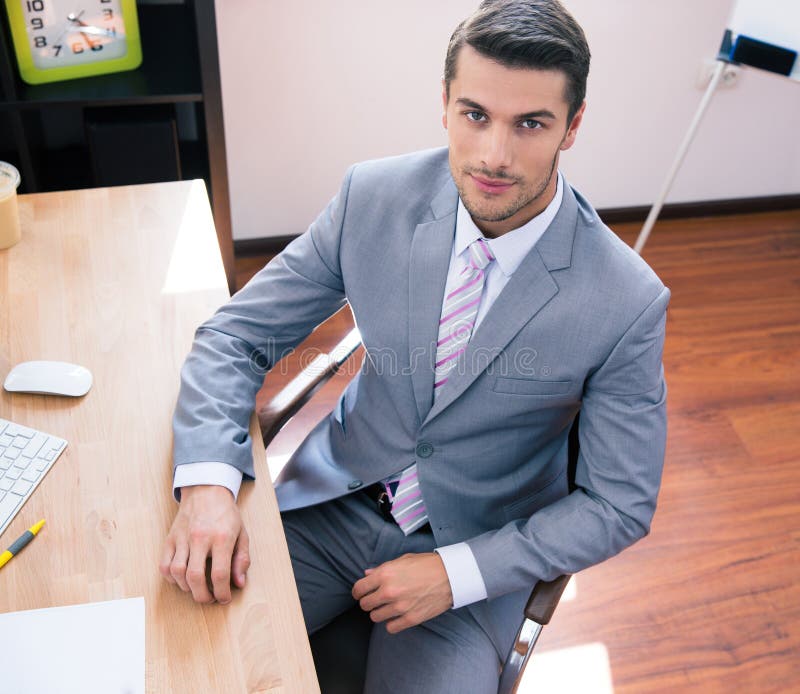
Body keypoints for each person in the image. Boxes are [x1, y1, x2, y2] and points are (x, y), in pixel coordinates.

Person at [160, 0, 670, 690]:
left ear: (572, 126)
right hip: (333, 507)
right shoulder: (372, 197)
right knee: (186, 667)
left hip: (477, 557)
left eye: (530, 124)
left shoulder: (627, 300)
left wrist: (458, 574)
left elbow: (618, 504)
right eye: (475, 114)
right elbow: (234, 335)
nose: (494, 155)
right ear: (444, 103)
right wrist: (207, 485)